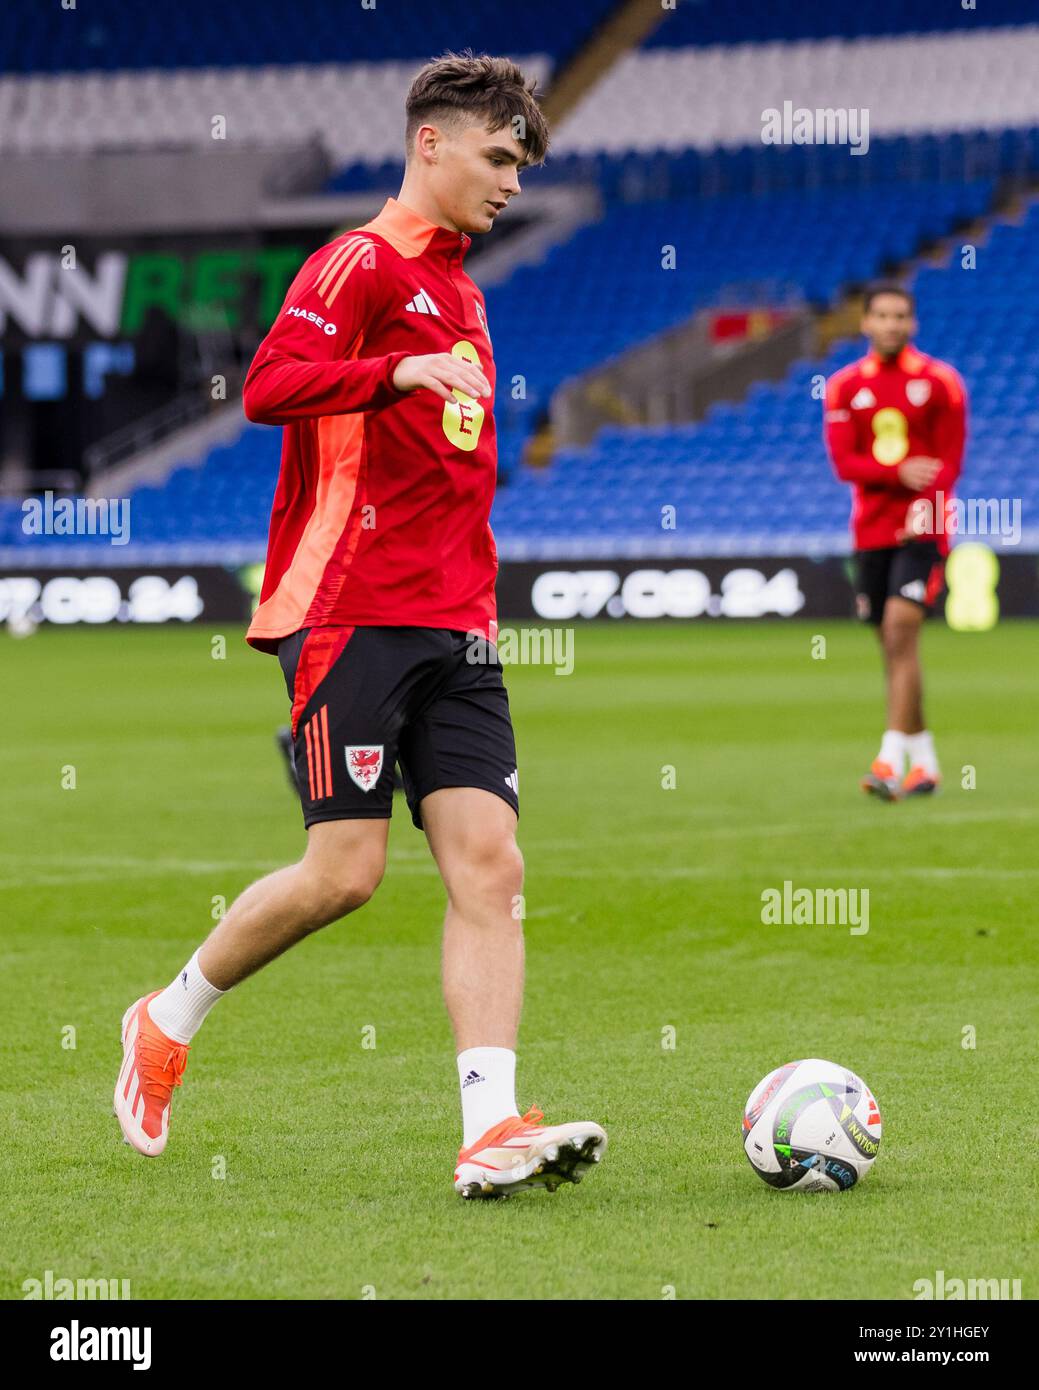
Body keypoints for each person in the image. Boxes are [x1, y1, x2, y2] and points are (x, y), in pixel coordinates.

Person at [115, 52, 607, 1199]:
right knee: (345, 873)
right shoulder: (357, 262)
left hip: (455, 623)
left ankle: (488, 1129)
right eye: (497, 158)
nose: (511, 184)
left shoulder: (465, 290)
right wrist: (396, 372)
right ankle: (164, 1015)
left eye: (521, 166)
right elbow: (271, 384)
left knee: (492, 862)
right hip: (349, 609)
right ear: (430, 143)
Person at [824, 283, 966, 800]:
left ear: (913, 324)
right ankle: (925, 760)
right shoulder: (842, 387)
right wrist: (896, 471)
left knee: (900, 629)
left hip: (924, 529)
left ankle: (888, 759)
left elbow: (949, 463)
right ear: (865, 323)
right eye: (881, 315)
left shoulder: (941, 382)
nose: (890, 324)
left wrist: (923, 510)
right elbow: (846, 464)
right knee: (893, 646)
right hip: (871, 532)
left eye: (900, 316)